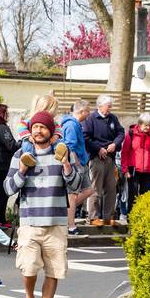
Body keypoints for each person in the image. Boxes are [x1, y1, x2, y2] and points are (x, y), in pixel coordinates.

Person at [5, 111, 78, 298]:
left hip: (56, 222)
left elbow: (76, 186)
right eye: (35, 126)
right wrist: (22, 171)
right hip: (29, 221)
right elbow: (8, 188)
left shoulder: (63, 153)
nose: (38, 130)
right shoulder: (20, 154)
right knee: (28, 269)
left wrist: (66, 165)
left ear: (50, 131)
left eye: (43, 127)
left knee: (53, 271)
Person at [82, 94, 124, 225]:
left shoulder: (113, 118)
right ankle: (93, 217)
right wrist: (98, 148)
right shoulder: (91, 118)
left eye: (111, 106)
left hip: (110, 158)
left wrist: (115, 144)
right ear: (100, 106)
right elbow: (86, 137)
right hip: (97, 157)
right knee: (96, 188)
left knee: (111, 188)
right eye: (108, 106)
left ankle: (108, 217)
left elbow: (121, 133)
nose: (110, 108)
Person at [60, 100, 93, 234]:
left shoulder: (76, 124)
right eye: (87, 111)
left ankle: (63, 211)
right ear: (81, 111)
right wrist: (77, 162)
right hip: (76, 165)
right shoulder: (71, 125)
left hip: (82, 163)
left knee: (89, 190)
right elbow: (70, 146)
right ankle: (70, 225)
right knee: (72, 195)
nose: (89, 113)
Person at [119, 113, 150, 223]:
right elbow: (125, 153)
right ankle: (131, 218)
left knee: (145, 195)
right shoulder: (131, 134)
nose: (148, 128)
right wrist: (125, 170)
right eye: (145, 125)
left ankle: (142, 217)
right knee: (133, 194)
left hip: (147, 170)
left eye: (149, 125)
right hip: (133, 169)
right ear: (140, 124)